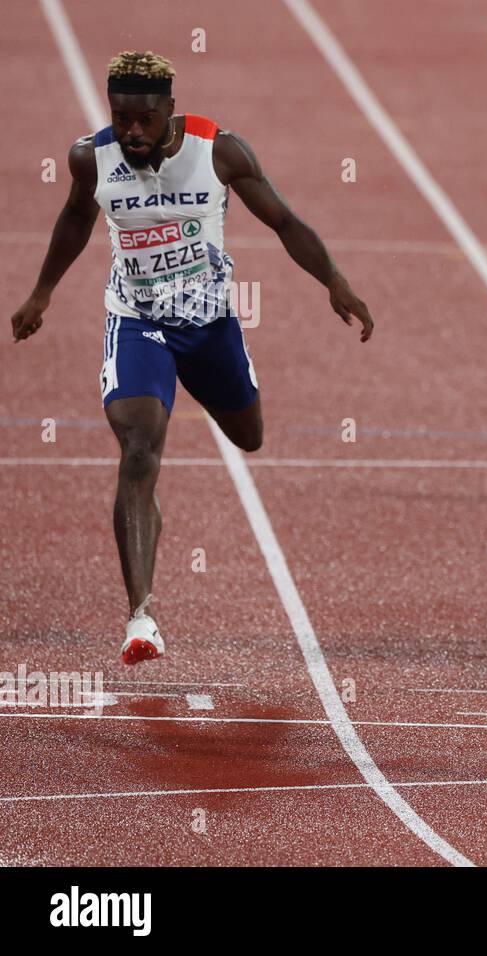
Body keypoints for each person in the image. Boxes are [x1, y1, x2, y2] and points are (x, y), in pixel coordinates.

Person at [9, 51, 374, 665]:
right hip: (137, 321)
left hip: (209, 326)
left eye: (145, 120)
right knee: (140, 448)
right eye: (121, 118)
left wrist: (333, 280)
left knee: (249, 436)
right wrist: (42, 292)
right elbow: (75, 217)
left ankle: (151, 511)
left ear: (170, 111)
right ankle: (141, 617)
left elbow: (284, 221)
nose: (132, 133)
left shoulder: (219, 151)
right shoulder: (91, 158)